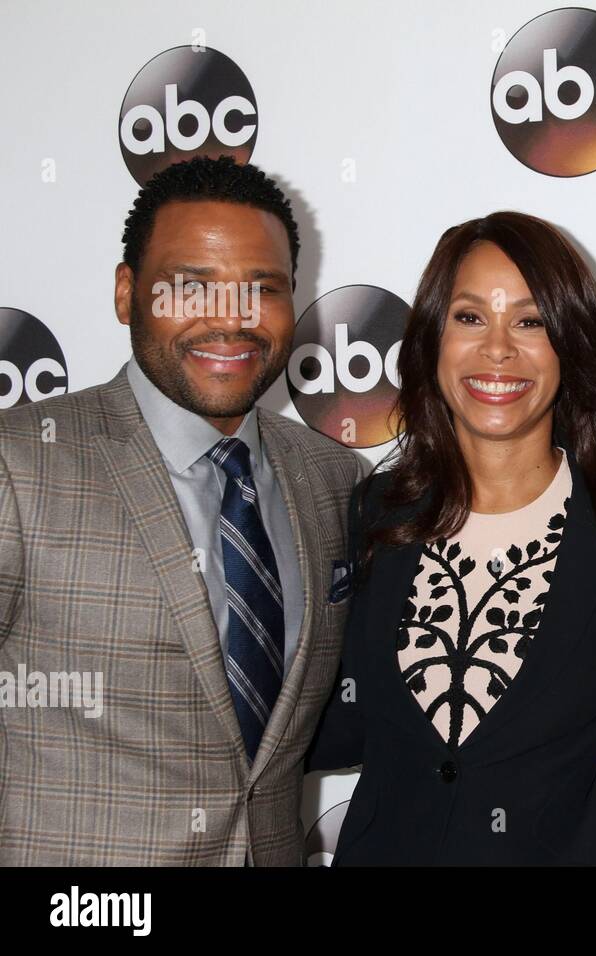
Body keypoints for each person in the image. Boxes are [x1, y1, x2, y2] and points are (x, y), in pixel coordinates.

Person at [0, 156, 365, 864]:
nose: (232, 321)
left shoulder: (333, 479)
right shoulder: (20, 467)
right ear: (126, 293)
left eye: (263, 288)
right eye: (191, 287)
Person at [306, 211, 596, 865]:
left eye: (530, 320)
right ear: (431, 337)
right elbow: (341, 722)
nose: (498, 349)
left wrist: (590, 724)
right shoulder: (377, 511)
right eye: (469, 317)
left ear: (568, 342)